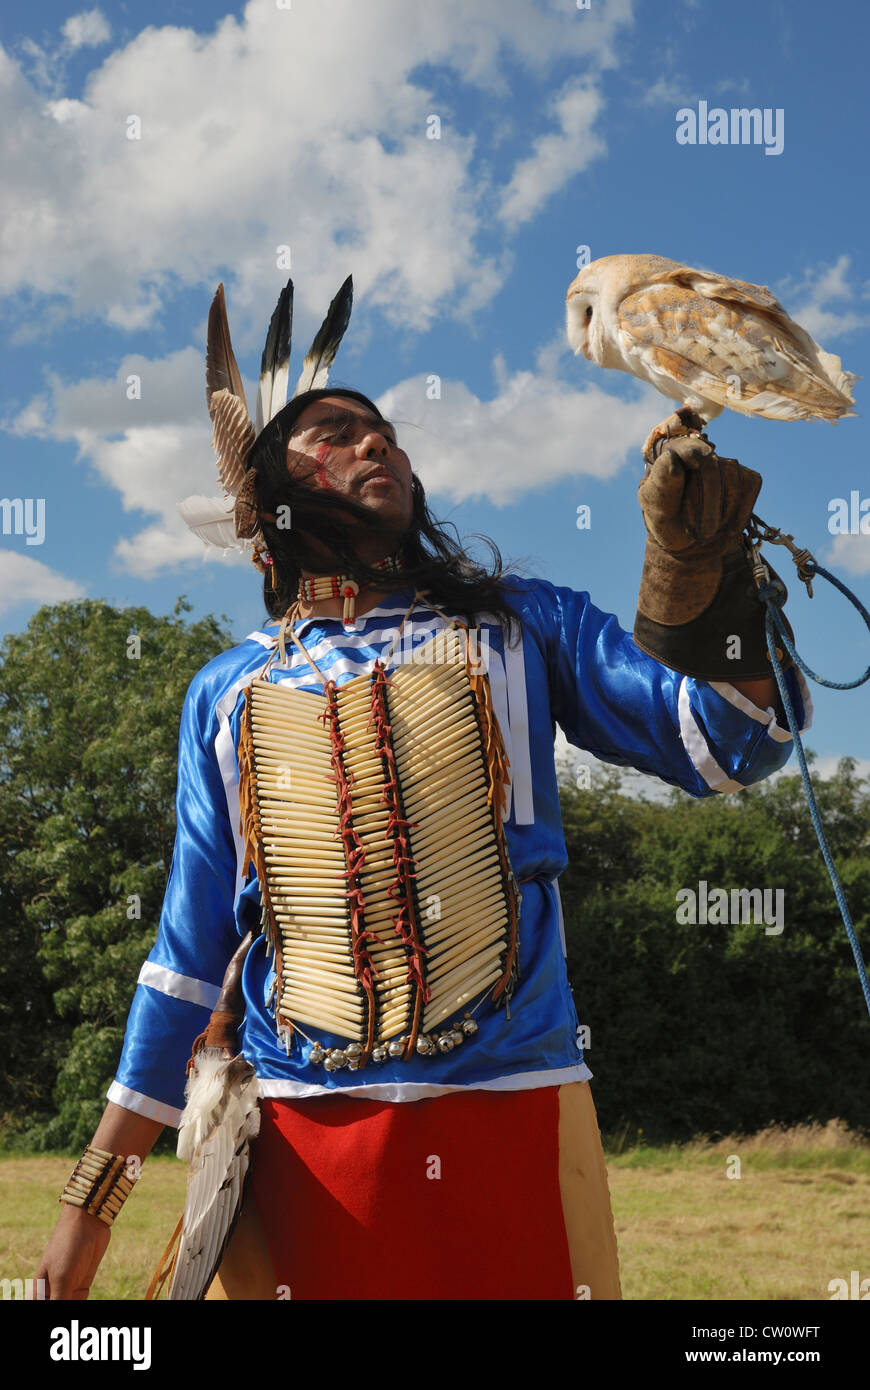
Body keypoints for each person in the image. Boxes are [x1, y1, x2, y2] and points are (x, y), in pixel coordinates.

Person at [35, 283, 810, 1302]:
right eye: (338, 435)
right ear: (270, 499)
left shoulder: (520, 630)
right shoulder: (228, 695)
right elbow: (185, 962)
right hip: (301, 1139)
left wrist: (709, 583)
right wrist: (87, 1212)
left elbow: (729, 743)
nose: (377, 448)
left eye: (387, 436)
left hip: (514, 1112)